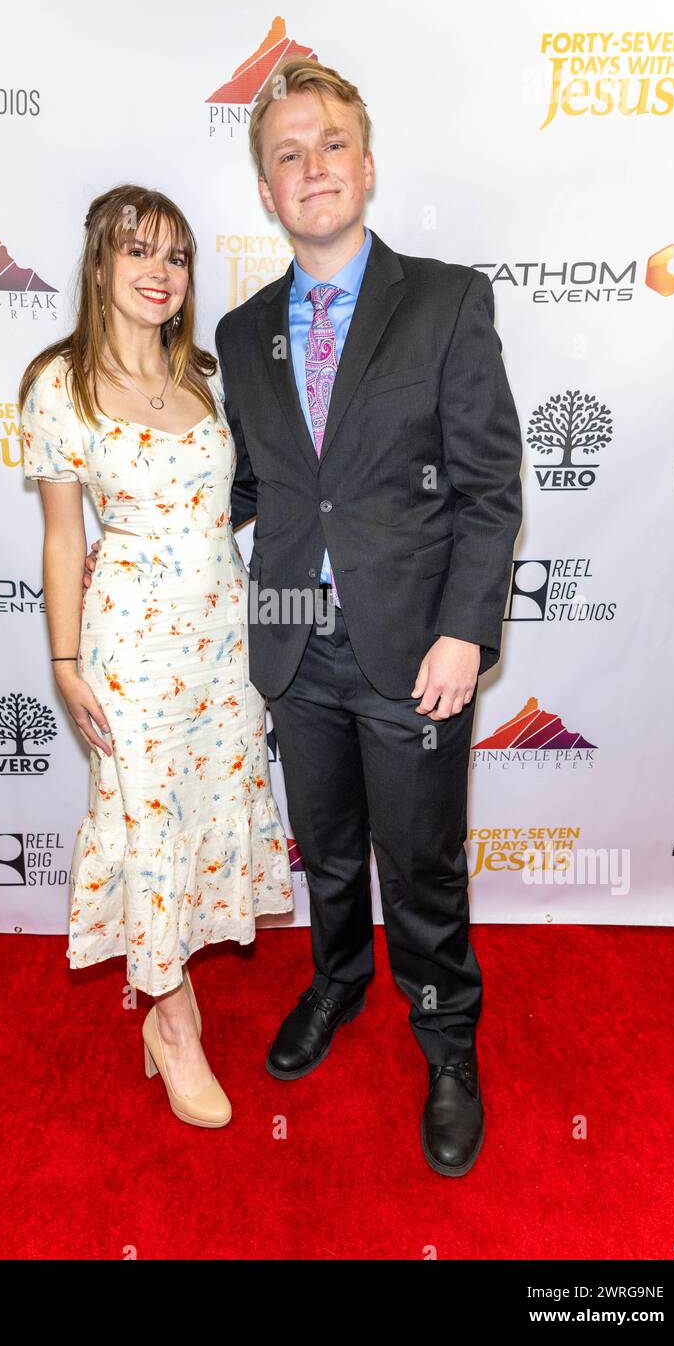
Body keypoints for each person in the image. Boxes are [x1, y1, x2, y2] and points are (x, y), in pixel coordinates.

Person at [86, 58, 523, 1177]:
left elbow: (488, 484)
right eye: (285, 154)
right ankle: (336, 980)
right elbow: (258, 485)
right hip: (285, 640)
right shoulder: (238, 334)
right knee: (326, 851)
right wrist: (137, 520)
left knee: (418, 862)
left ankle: (444, 1036)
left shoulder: (444, 301)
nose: (310, 166)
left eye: (328, 144)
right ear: (269, 192)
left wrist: (464, 631)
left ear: (365, 168)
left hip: (411, 650)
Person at [19, 185, 294, 1130]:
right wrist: (64, 661)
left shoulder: (203, 376)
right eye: (138, 252)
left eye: (175, 258)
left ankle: (176, 989)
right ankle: (171, 1023)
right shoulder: (58, 385)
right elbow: (63, 540)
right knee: (141, 820)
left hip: (219, 637)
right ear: (101, 263)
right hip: (128, 643)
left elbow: (225, 502)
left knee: (206, 805)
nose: (159, 273)